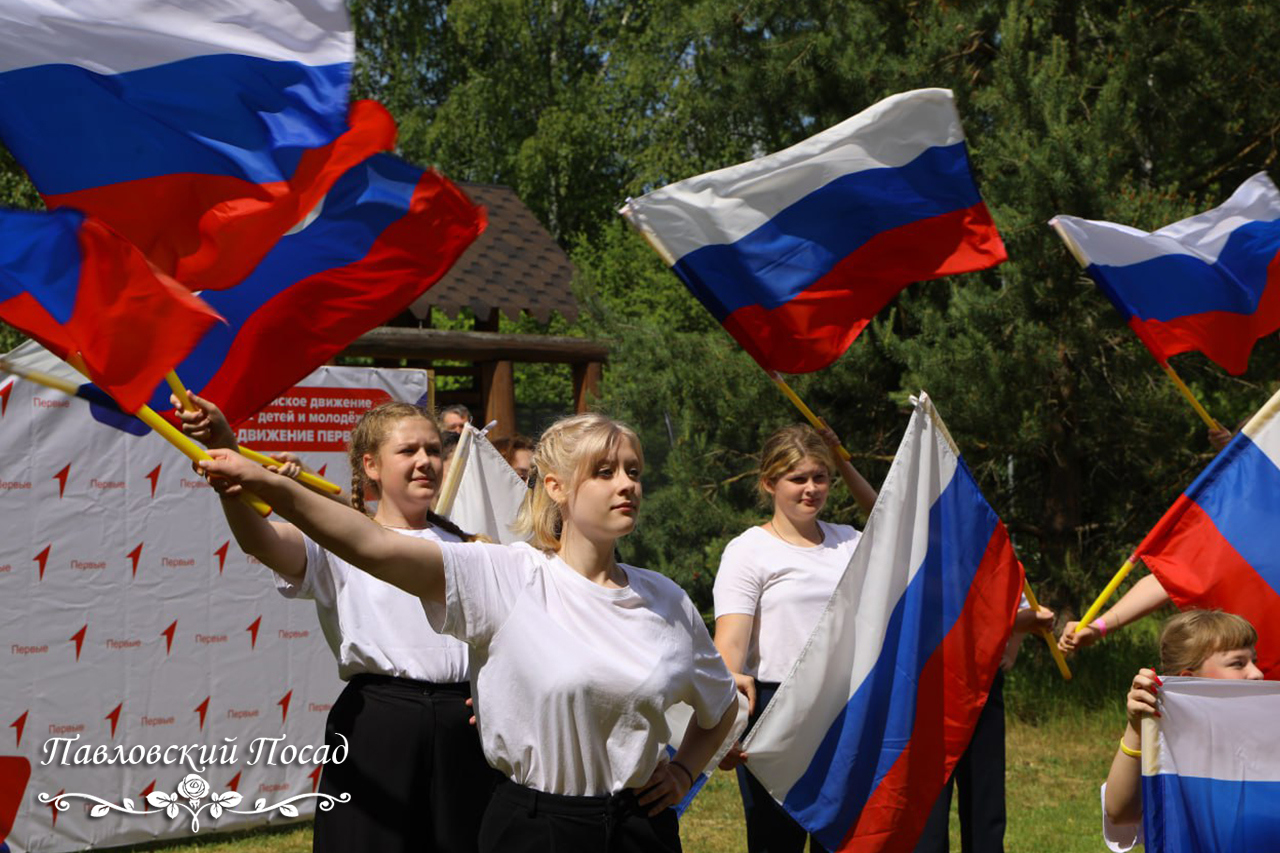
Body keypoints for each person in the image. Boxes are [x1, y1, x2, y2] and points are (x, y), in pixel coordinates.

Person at [198, 412, 741, 853]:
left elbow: (722, 705)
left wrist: (684, 770)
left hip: (634, 829)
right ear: (555, 487)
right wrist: (262, 480)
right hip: (523, 817)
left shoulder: (665, 598)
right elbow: (370, 546)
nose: (626, 484)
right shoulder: (504, 573)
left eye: (634, 470)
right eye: (604, 471)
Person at [177, 396, 495, 853]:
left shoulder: (470, 544)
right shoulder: (335, 542)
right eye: (408, 451)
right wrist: (230, 467)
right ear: (371, 466)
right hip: (380, 719)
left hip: (464, 724)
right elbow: (263, 540)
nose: (425, 461)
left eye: (432, 450)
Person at [712, 424, 877, 853]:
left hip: (843, 707)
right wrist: (723, 723)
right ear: (769, 483)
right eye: (797, 479)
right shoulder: (748, 550)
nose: (811, 489)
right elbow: (729, 648)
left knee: (840, 840)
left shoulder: (849, 542)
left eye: (820, 477)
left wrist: (842, 457)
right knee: (775, 841)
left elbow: (894, 522)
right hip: (774, 708)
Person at [1102, 610, 1263, 852]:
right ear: (1189, 679)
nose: (1257, 674)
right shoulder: (1169, 748)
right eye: (1238, 663)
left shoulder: (1268, 731)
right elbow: (1121, 814)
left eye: (1254, 661)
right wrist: (1137, 731)